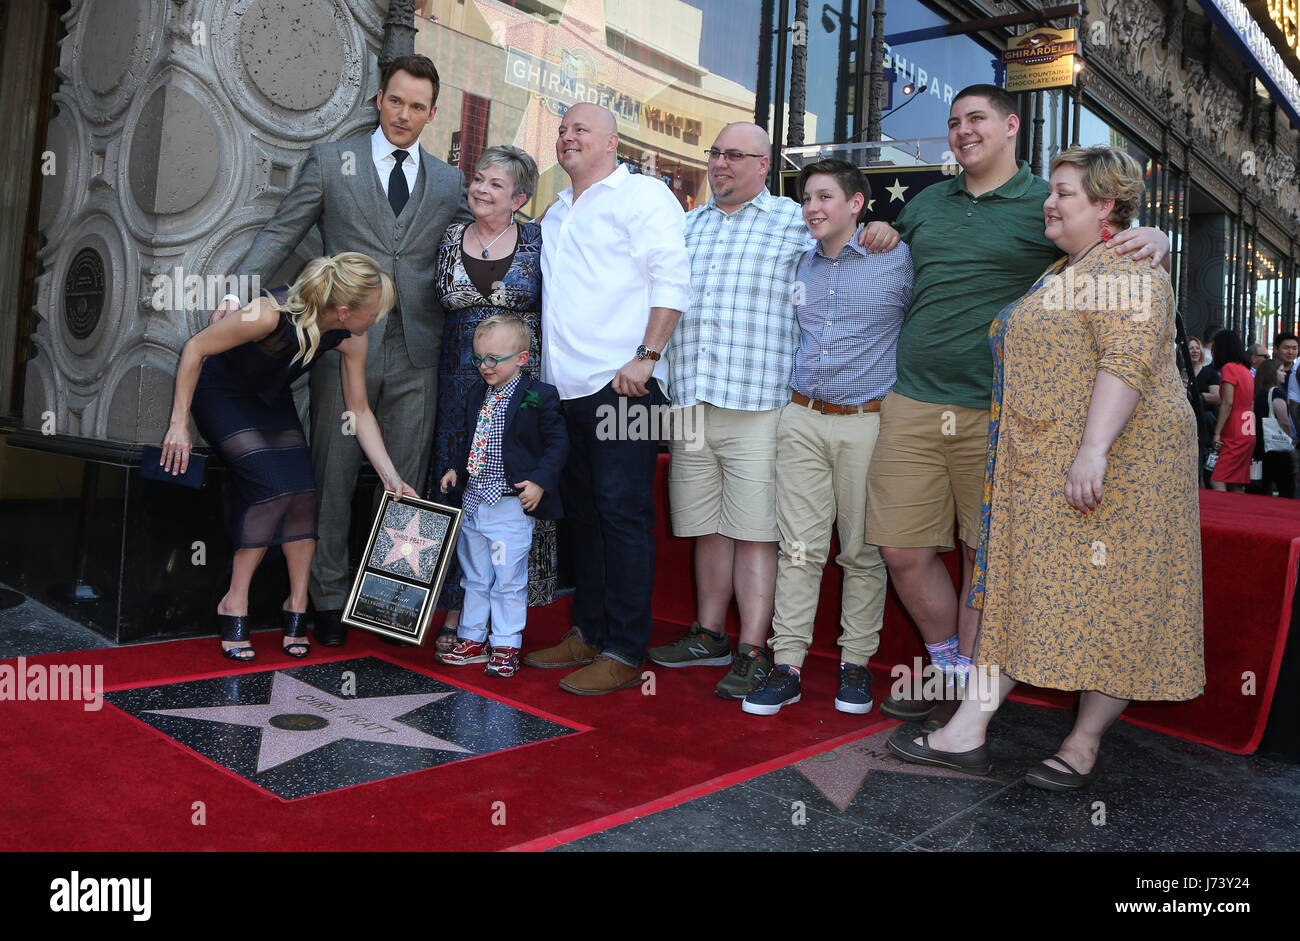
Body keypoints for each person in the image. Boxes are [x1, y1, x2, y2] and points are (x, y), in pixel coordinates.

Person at [887, 145, 1204, 789]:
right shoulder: (1064, 268)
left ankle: (1082, 743)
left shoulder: (1132, 269)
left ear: (1105, 205)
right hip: (1046, 469)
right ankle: (966, 729)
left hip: (1121, 470)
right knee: (1023, 590)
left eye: (1063, 193)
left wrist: (1093, 449)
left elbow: (1126, 360)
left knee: (1117, 602)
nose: (1048, 203)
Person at [858, 84, 1171, 726]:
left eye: (976, 118)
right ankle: (949, 667)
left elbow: (1109, 248)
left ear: (1010, 126)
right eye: (952, 121)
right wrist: (884, 228)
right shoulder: (927, 202)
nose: (963, 130)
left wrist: (1156, 236)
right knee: (899, 547)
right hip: (913, 398)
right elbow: (892, 253)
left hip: (1005, 415)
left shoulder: (1046, 201)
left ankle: (968, 692)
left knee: (985, 558)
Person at [213, 54, 472, 646]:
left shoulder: (451, 182)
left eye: (417, 106)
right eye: (396, 100)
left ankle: (391, 602)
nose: (404, 114)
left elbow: (475, 242)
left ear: (432, 114)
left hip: (418, 351)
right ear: (380, 99)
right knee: (331, 470)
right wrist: (236, 290)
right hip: (342, 344)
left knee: (404, 477)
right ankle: (325, 599)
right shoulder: (334, 162)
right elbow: (282, 230)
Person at [163, 253, 418, 660]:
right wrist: (178, 423)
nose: (378, 319)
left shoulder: (352, 336)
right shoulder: (268, 314)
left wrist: (390, 476)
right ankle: (234, 600)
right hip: (222, 398)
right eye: (375, 311)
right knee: (275, 488)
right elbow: (194, 349)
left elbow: (359, 410)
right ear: (345, 309)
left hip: (270, 402)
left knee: (303, 491)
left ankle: (295, 603)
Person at [524, 103, 691, 695]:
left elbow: (672, 278)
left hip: (624, 389)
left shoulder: (643, 197)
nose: (568, 138)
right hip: (565, 392)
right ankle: (588, 633)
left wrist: (645, 359)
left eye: (581, 130)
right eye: (563, 130)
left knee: (623, 519)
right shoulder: (557, 210)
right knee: (587, 520)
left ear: (613, 142)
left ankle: (624, 650)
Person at [646, 122, 811, 700]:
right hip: (691, 400)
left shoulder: (796, 222)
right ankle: (709, 635)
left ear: (765, 164)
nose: (720, 164)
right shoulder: (684, 227)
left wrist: (884, 230)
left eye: (734, 156)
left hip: (759, 403)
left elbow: (848, 251)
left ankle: (752, 649)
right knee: (705, 527)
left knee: (756, 533)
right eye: (714, 154)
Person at [740, 160, 911, 716]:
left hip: (868, 422)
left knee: (862, 552)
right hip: (802, 419)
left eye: (826, 197)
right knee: (799, 548)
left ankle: (855, 666)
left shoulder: (897, 258)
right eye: (808, 197)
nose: (813, 207)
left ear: (857, 204)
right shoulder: (799, 264)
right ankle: (786, 664)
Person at [425, 146, 555, 654]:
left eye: (496, 184)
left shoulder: (538, 240)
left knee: (506, 489)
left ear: (519, 198)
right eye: (478, 179)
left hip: (515, 388)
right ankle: (456, 609)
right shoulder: (451, 236)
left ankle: (507, 623)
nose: (481, 188)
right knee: (456, 487)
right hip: (456, 382)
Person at [437, 314, 568, 677]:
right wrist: (455, 468)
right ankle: (471, 638)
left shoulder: (538, 395)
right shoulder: (477, 393)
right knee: (475, 576)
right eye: (479, 358)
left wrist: (540, 481)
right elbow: (467, 438)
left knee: (508, 578)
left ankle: (506, 644)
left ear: (522, 358)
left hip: (510, 505)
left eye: (494, 358)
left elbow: (558, 444)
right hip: (475, 501)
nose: (484, 366)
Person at [1209, 329, 1256, 492]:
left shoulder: (1229, 368)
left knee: (1217, 479)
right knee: (1235, 481)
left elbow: (1228, 402)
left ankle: (1221, 516)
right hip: (1248, 428)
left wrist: (1217, 432)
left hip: (1234, 429)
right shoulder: (1246, 370)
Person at [1251, 359, 1294, 497]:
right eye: (1281, 371)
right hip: (1278, 447)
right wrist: (1290, 438)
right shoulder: (1277, 392)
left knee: (1264, 488)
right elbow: (1283, 420)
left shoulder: (1260, 393)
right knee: (1286, 488)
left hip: (1262, 447)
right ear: (1272, 373)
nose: (1284, 374)